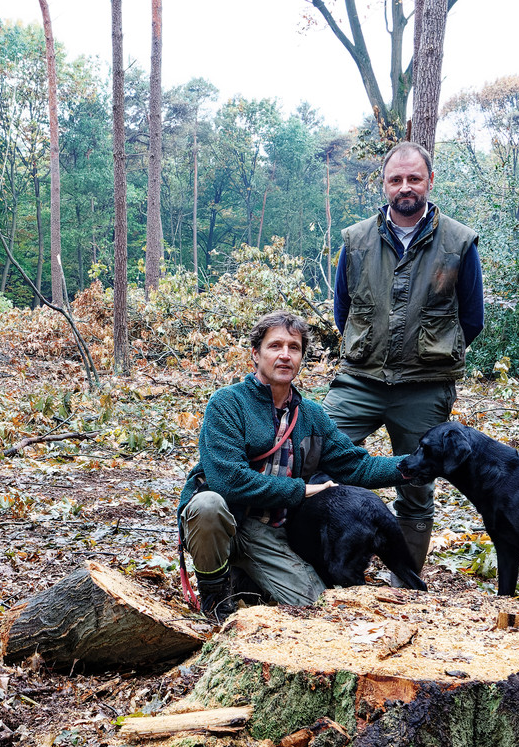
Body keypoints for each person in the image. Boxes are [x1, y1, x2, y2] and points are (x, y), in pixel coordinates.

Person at [177, 310, 409, 621]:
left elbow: (357, 466)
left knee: (314, 610)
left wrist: (417, 465)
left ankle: (248, 581)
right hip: (223, 524)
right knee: (207, 504)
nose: (285, 355)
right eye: (275, 346)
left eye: (294, 348)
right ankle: (215, 594)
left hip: (268, 533)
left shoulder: (311, 415)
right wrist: (300, 490)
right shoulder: (227, 403)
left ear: (301, 358)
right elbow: (229, 481)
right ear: (255, 355)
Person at [323, 140, 485, 580]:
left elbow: (471, 317)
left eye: (414, 178)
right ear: (384, 184)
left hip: (425, 387)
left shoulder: (458, 242)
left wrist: (430, 355)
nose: (405, 187)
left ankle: (403, 580)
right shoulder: (356, 241)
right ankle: (318, 558)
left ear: (430, 181)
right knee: (316, 452)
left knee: (416, 485)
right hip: (360, 381)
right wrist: (369, 350)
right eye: (396, 179)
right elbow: (344, 311)